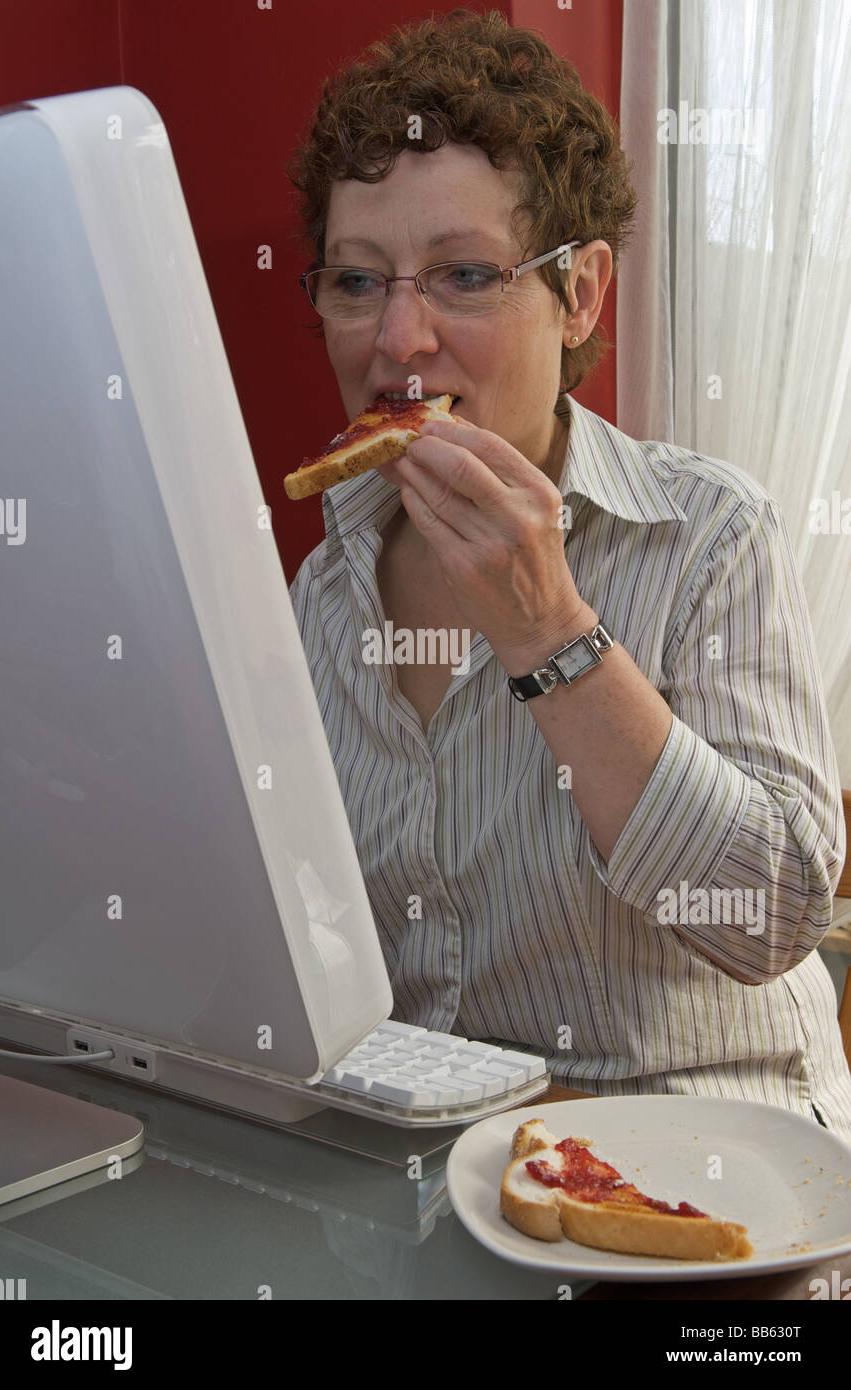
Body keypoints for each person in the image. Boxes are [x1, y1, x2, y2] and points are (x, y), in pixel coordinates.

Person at [286, 9, 851, 1139]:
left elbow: (774, 916)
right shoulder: (324, 580)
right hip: (444, 1167)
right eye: (358, 282)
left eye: (461, 275)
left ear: (581, 294)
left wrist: (551, 635)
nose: (397, 339)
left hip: (713, 1161)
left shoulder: (707, 534)